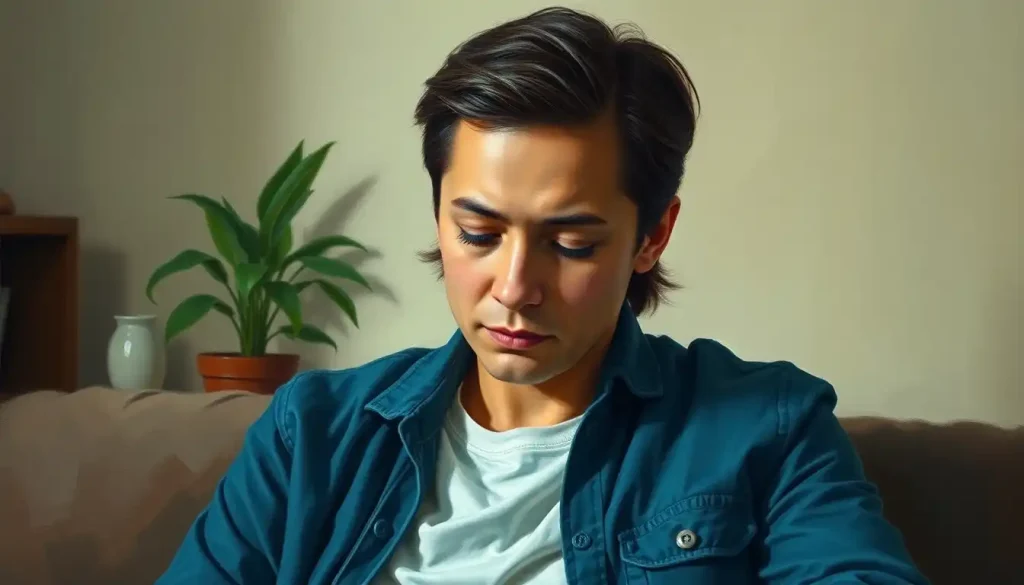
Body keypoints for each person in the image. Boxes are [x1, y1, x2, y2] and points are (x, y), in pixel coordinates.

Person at [156, 6, 930, 585]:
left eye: (572, 244)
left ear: (652, 236)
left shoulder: (767, 427)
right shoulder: (314, 433)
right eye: (479, 233)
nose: (515, 288)